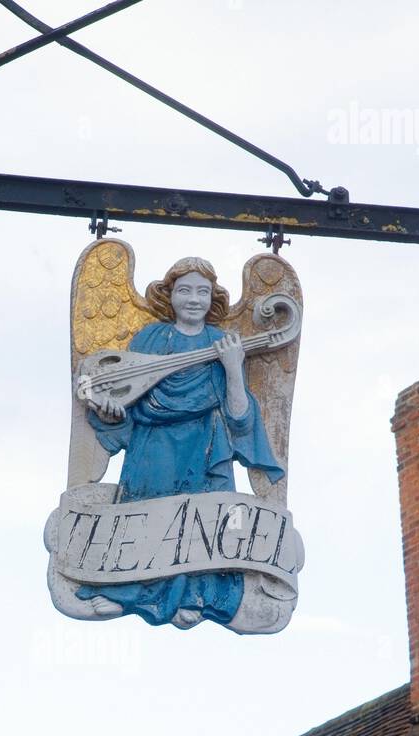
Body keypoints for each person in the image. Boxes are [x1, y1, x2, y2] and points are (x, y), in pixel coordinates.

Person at [76, 256, 283, 628]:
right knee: (145, 516)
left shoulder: (222, 342)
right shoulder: (150, 339)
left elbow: (240, 416)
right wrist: (109, 410)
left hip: (205, 446)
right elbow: (126, 401)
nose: (194, 299)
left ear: (212, 298)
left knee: (200, 524)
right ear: (169, 295)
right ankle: (126, 591)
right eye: (185, 290)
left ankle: (195, 597)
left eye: (202, 292)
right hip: (154, 444)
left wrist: (234, 368)